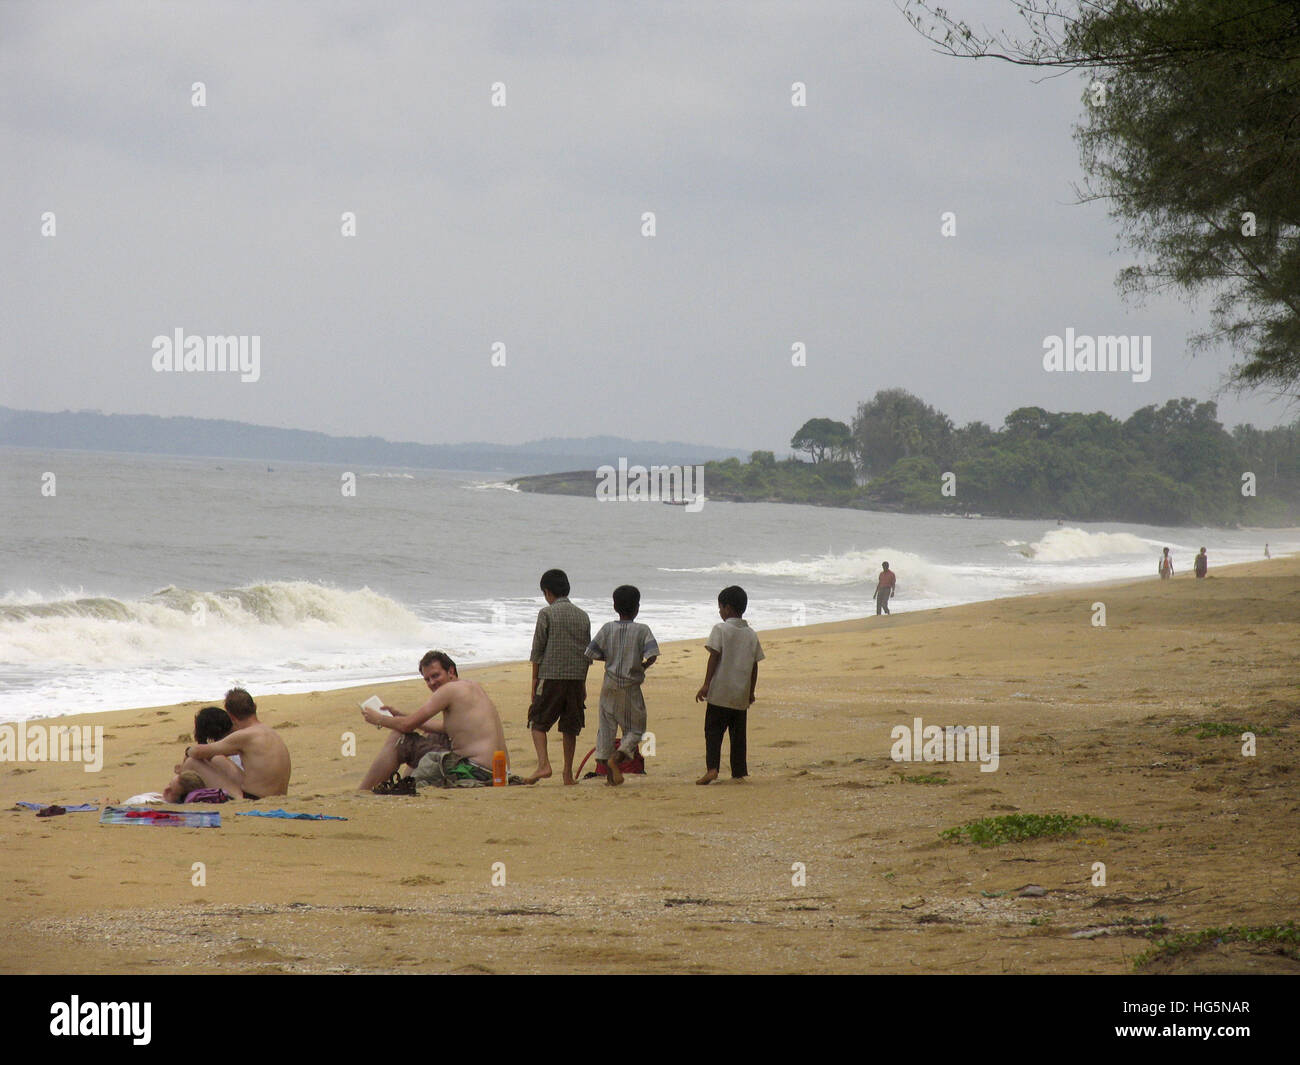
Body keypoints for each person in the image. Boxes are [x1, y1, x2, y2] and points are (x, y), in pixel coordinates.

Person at [358, 651, 509, 790]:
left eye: (436, 676)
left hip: (473, 771)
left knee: (400, 738)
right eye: (427, 679)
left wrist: (379, 719)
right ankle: (406, 781)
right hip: (499, 771)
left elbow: (406, 726)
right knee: (434, 736)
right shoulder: (472, 687)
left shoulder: (448, 690)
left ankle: (364, 790)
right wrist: (401, 714)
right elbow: (448, 728)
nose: (432, 683)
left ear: (450, 671)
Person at [585, 585, 659, 786]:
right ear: (637, 608)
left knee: (606, 729)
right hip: (630, 687)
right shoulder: (642, 630)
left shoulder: (608, 628)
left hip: (609, 684)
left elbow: (591, 652)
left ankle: (610, 777)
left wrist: (610, 659)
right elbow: (652, 654)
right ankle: (616, 759)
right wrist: (642, 666)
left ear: (615, 606)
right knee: (635, 729)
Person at [524, 569, 591, 785]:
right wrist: (583, 682)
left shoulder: (546, 614)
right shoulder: (583, 616)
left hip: (551, 676)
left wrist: (534, 681)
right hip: (576, 678)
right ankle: (568, 774)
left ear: (547, 592)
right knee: (570, 726)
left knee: (537, 721)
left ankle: (544, 764)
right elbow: (586, 653)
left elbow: (538, 650)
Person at [695, 585, 764, 785]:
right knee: (738, 735)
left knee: (713, 732)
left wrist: (706, 684)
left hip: (720, 692)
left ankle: (712, 769)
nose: (719, 611)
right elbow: (754, 666)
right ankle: (739, 771)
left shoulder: (720, 629)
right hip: (740, 694)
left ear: (728, 608)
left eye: (720, 607)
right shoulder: (751, 634)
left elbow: (714, 657)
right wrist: (751, 691)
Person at [179, 688, 292, 799]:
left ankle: (176, 797)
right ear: (255, 707)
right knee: (218, 758)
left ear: (231, 716)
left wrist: (188, 751)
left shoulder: (244, 735)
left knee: (192, 762)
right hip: (278, 796)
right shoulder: (270, 732)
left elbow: (198, 752)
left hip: (254, 798)